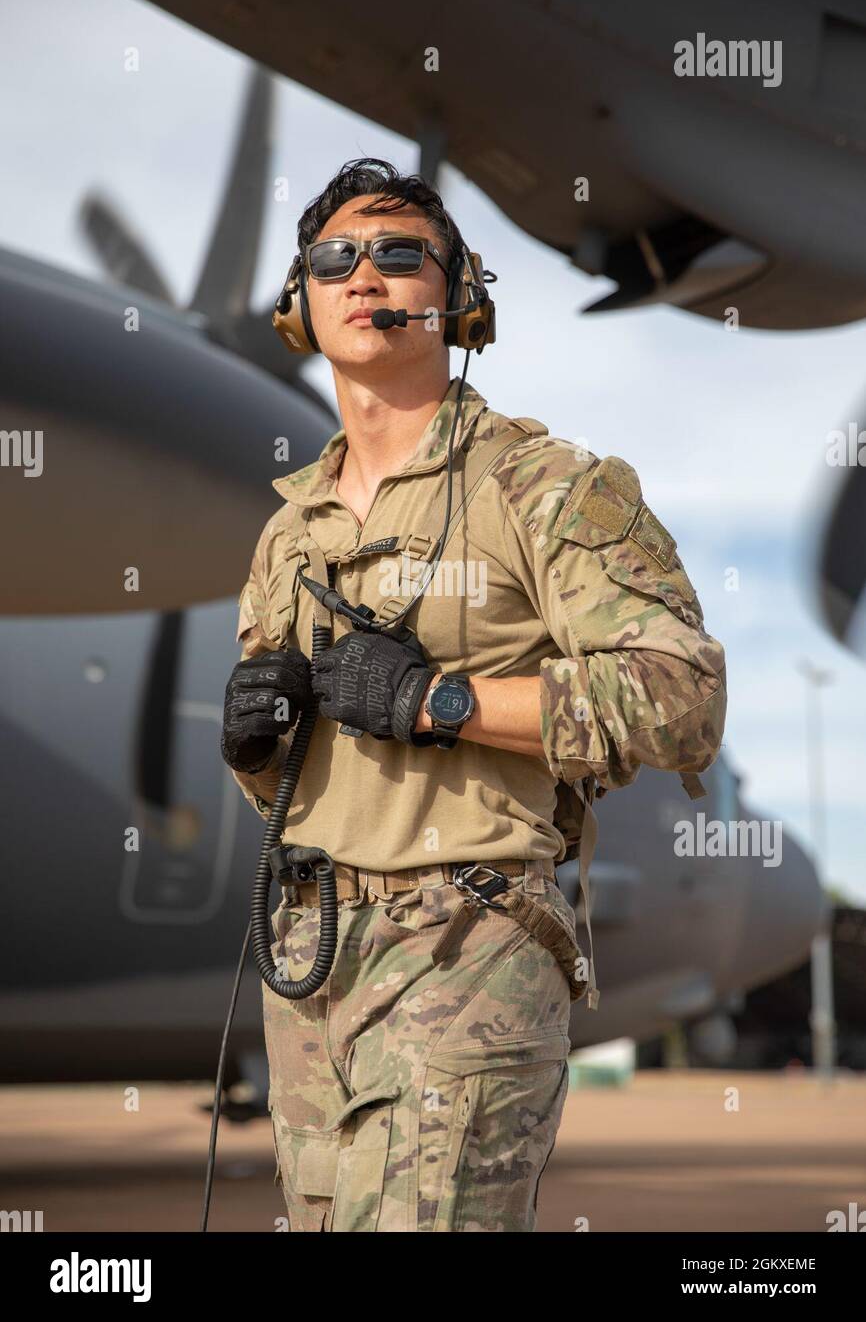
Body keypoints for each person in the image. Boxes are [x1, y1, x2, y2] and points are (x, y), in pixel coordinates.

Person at [220, 157, 727, 1232]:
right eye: (334, 259)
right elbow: (281, 797)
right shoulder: (286, 532)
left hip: (467, 939)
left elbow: (681, 699)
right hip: (309, 954)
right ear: (299, 304)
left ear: (457, 298)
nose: (365, 275)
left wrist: (439, 704)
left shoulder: (545, 486)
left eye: (400, 255)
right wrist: (252, 750)